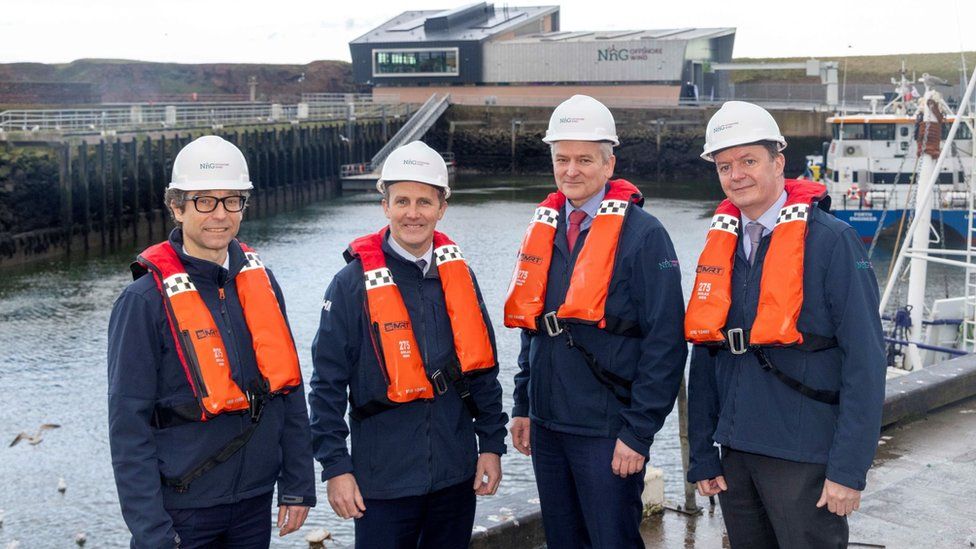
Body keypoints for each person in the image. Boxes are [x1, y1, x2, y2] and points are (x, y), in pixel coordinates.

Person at [685, 101, 886, 548]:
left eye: (749, 161)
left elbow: (867, 362)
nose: (736, 175)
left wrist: (848, 471)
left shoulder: (832, 241)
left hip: (804, 455)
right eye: (724, 166)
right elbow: (706, 356)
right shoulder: (723, 245)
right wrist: (703, 453)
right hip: (736, 452)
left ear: (778, 162)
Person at [107, 135, 315, 548]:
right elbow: (127, 427)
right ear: (177, 206)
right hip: (182, 511)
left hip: (253, 506)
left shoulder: (263, 284)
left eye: (231, 200)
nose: (219, 215)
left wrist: (297, 482)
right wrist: (152, 533)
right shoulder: (143, 301)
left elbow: (287, 389)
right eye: (204, 201)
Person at [505, 95, 687, 548]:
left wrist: (638, 432)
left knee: (612, 540)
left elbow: (666, 342)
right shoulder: (542, 230)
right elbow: (535, 326)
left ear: (609, 164)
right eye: (562, 159)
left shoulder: (646, 235)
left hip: (607, 429)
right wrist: (523, 405)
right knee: (563, 541)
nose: (571, 170)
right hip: (548, 426)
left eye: (584, 159)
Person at [309, 141, 507, 548]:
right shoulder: (350, 285)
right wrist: (335, 467)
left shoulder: (461, 278)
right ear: (385, 206)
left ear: (442, 207)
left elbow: (483, 370)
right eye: (401, 201)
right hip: (382, 482)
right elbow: (326, 384)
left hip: (454, 475)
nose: (412, 213)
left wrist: (491, 444)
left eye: (423, 202)